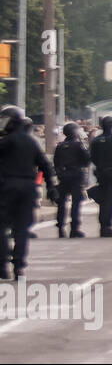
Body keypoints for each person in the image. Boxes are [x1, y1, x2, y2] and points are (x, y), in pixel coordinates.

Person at [0, 111, 57, 279]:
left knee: (1, 226)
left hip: (7, 187)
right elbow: (45, 165)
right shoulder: (31, 142)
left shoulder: (6, 142)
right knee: (21, 229)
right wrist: (52, 186)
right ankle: (19, 266)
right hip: (28, 188)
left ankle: (3, 263)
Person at [53, 123, 91, 238]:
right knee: (76, 204)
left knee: (62, 203)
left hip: (63, 177)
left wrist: (60, 173)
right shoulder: (78, 145)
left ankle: (60, 228)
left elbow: (56, 162)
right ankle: (74, 228)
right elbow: (86, 160)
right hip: (76, 177)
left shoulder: (60, 146)